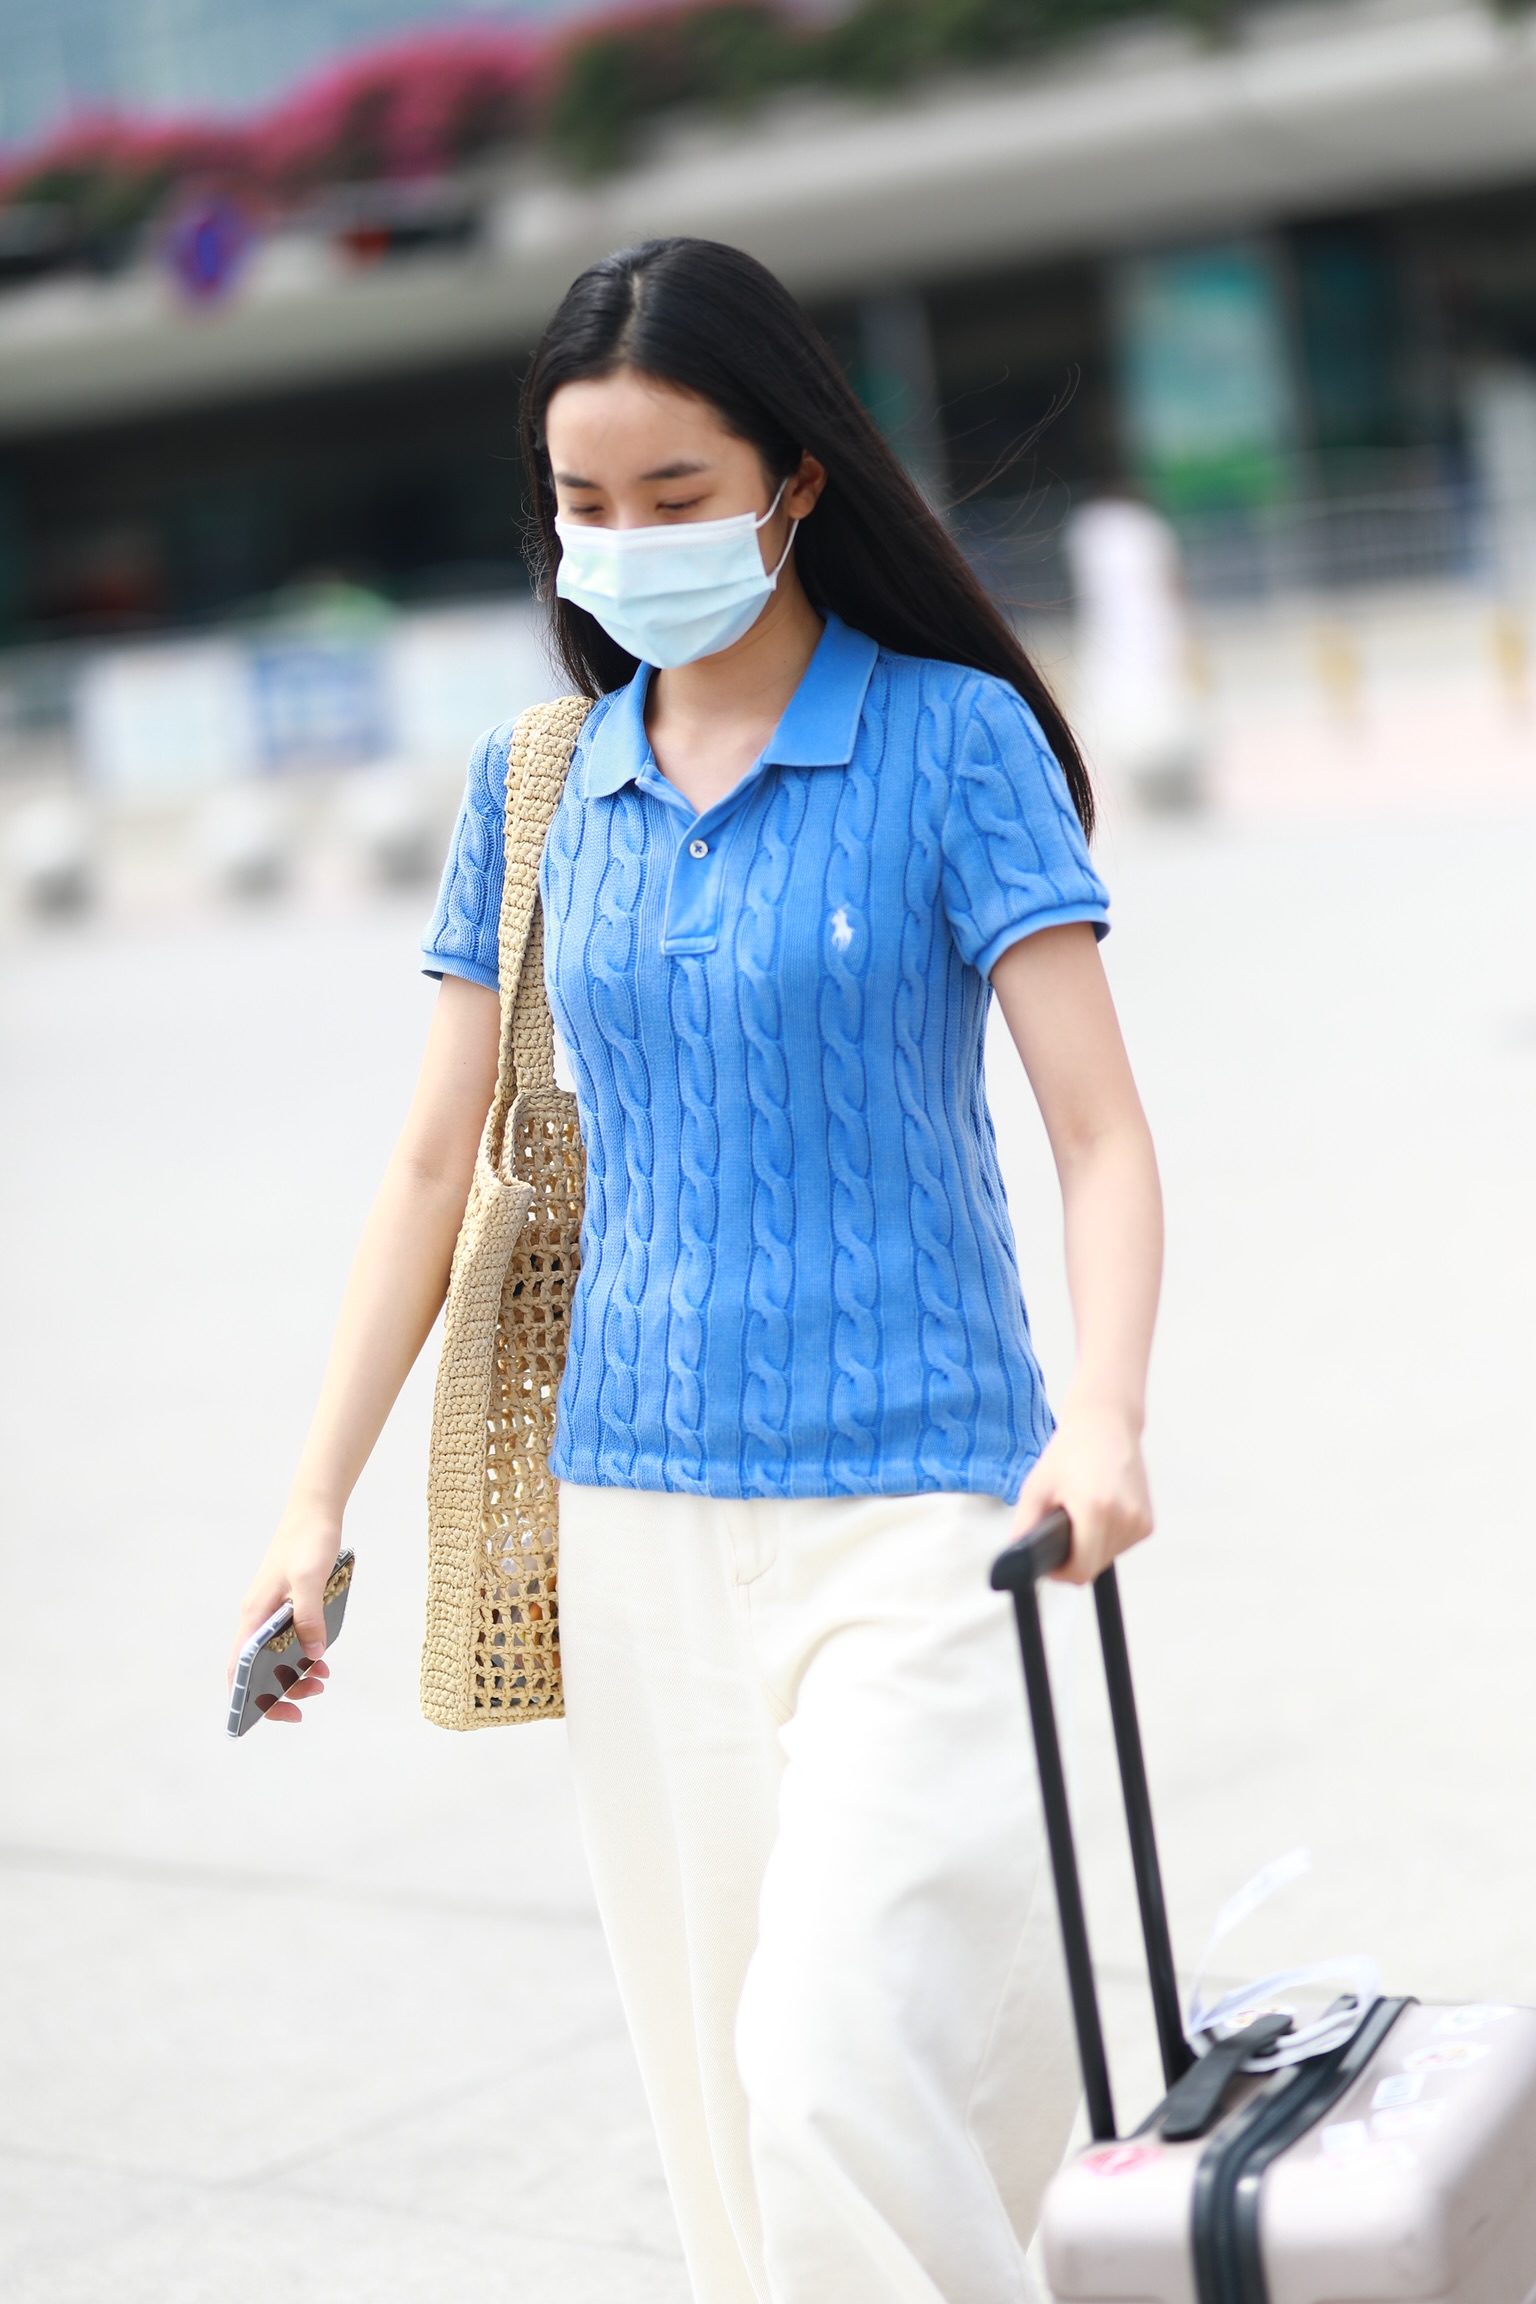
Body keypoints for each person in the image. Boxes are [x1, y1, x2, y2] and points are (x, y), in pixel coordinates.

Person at [229, 237, 1162, 2304]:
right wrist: (313, 1502)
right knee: (733, 2138)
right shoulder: (541, 785)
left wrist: (1101, 1419)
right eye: (585, 505)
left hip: (924, 1515)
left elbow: (1098, 1132)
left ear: (795, 481)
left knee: (830, 2071)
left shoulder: (950, 743)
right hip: (635, 1519)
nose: (624, 543)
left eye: (674, 496)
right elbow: (426, 1163)